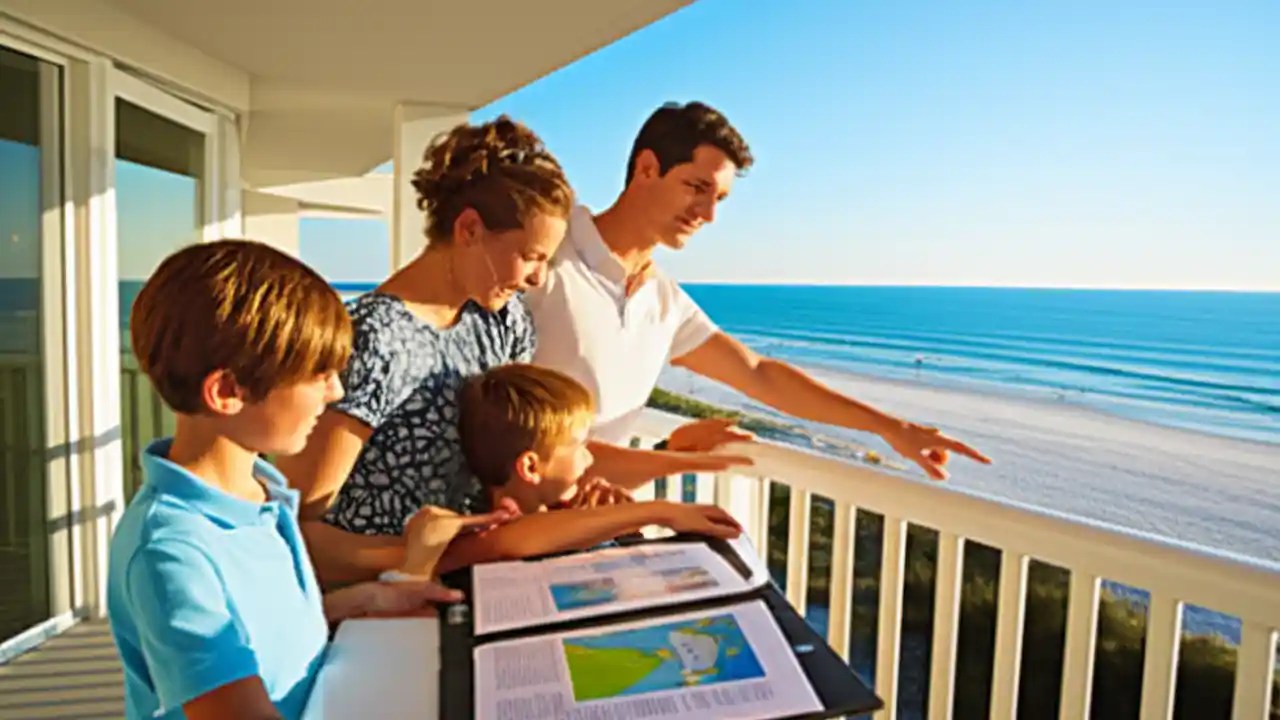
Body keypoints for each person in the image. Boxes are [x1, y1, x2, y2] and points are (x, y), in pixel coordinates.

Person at [275, 117, 748, 589]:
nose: (539, 278)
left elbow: (525, 452)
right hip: (390, 600)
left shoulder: (504, 321)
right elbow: (299, 533)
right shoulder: (373, 341)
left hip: (485, 578)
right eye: (532, 256)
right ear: (469, 229)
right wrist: (440, 553)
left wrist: (568, 493)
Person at [525, 101, 991, 483]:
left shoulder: (661, 299)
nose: (708, 214)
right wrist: (676, 456)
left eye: (719, 199)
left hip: (592, 532)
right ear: (647, 168)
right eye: (697, 188)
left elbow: (760, 373)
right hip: (512, 534)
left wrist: (892, 428)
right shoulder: (541, 261)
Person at [106, 240, 465, 720]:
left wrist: (368, 598)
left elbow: (271, 631)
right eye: (318, 375)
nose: (336, 392)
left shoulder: (259, 492)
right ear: (227, 392)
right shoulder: (170, 552)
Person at [397, 362, 740, 575]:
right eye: (580, 447)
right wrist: (657, 512)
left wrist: (618, 529)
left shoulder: (567, 510)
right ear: (530, 467)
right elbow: (510, 541)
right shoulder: (481, 527)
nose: (590, 459)